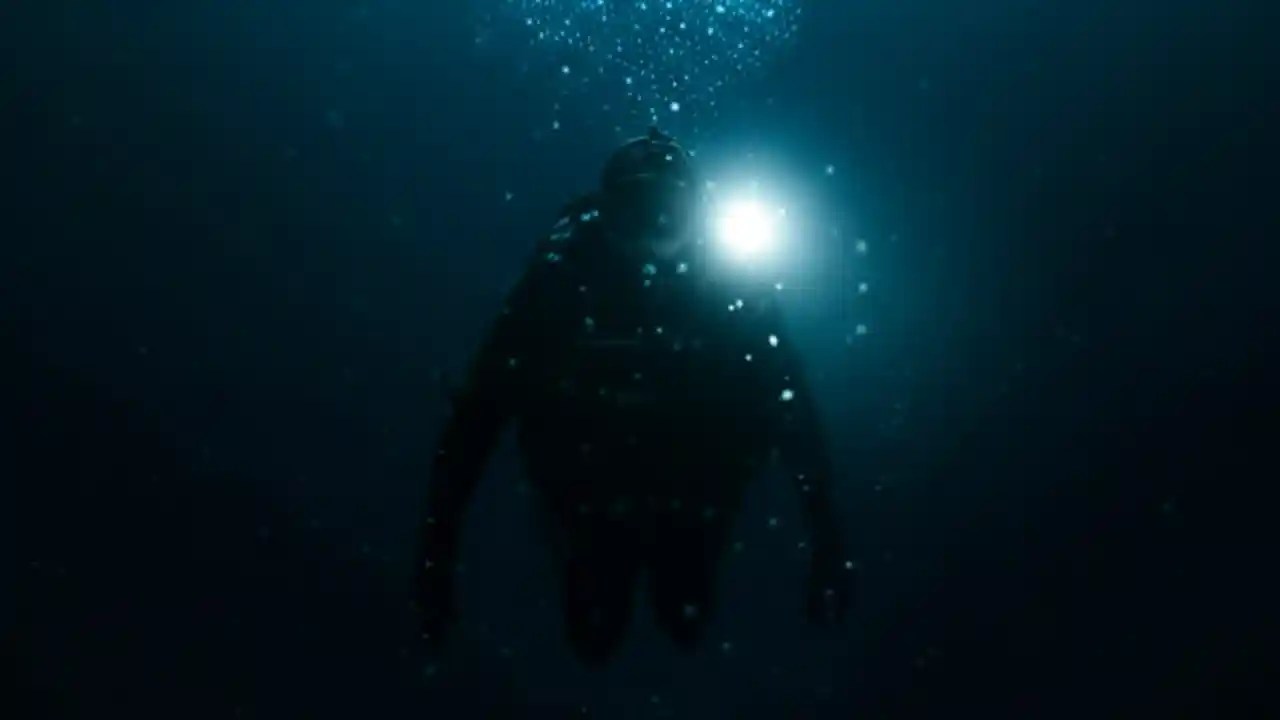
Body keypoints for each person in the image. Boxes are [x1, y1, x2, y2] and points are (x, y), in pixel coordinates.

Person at [415, 128, 853, 665]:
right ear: (605, 216)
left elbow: (791, 411)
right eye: (636, 213)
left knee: (676, 619)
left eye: (667, 213)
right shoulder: (560, 285)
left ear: (697, 218)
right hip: (596, 496)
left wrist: (437, 550)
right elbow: (478, 416)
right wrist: (437, 552)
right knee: (603, 632)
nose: (651, 238)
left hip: (688, 493)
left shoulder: (729, 291)